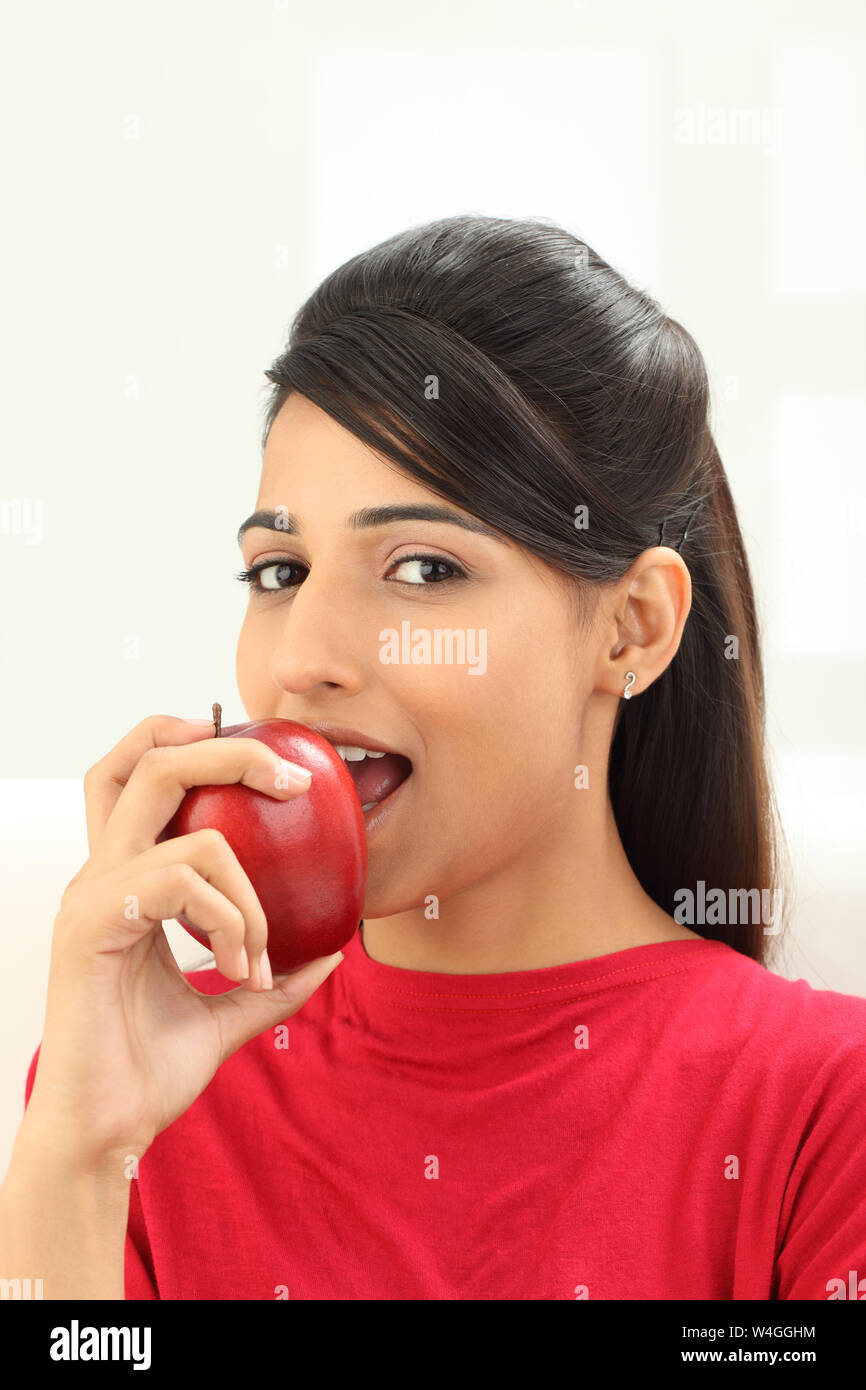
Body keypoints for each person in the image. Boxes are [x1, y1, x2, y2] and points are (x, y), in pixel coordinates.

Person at [3, 214, 865, 1300]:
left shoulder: (825, 1117)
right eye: (279, 571)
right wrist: (78, 1156)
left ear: (630, 627)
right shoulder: (142, 1093)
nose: (303, 659)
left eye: (419, 569)